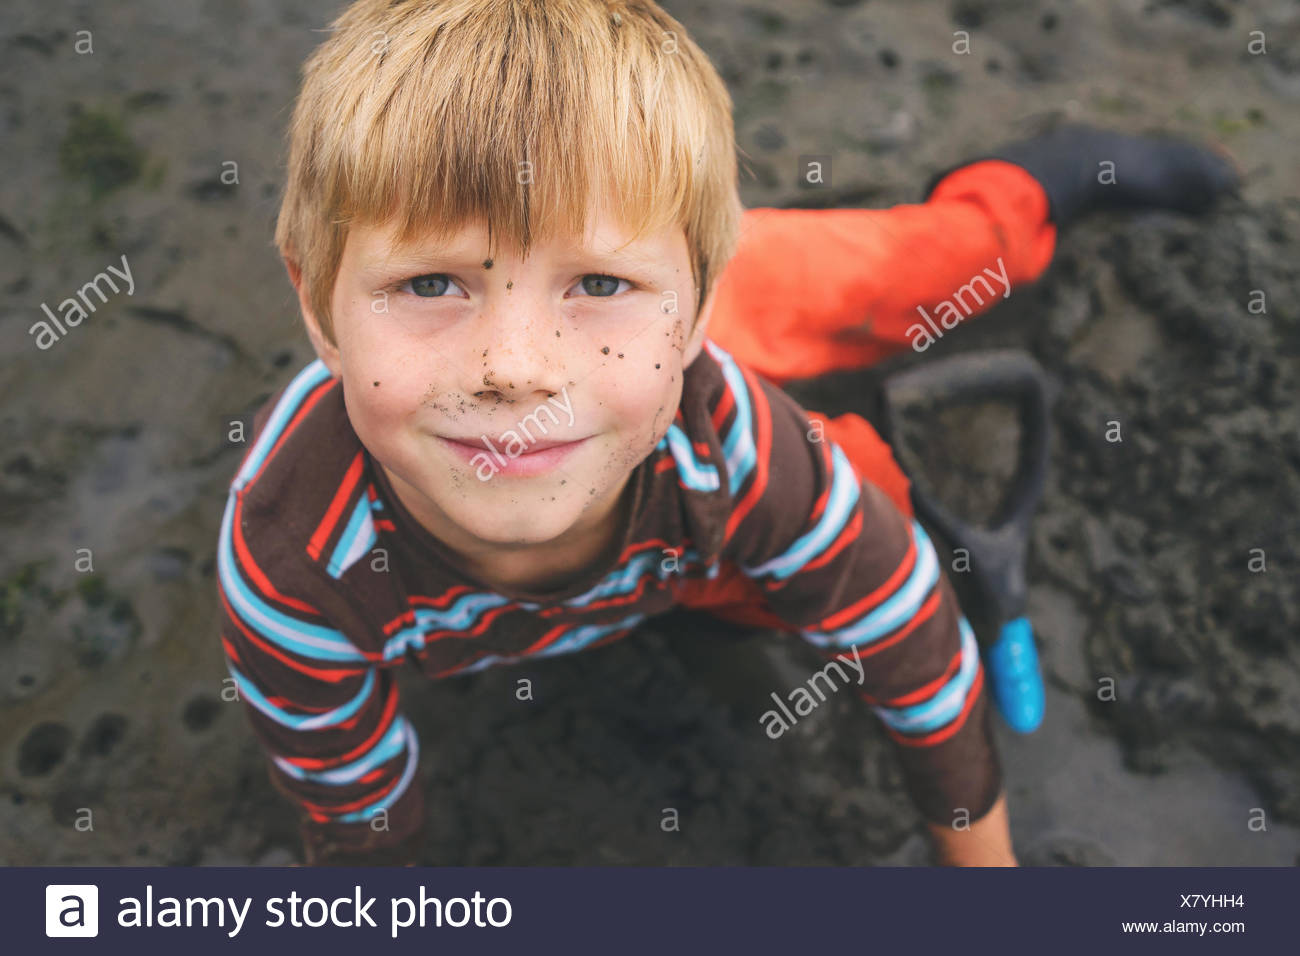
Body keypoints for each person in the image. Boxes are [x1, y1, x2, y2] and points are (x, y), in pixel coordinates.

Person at [216, 0, 1238, 867]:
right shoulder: (294, 570)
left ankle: (1028, 190)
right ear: (318, 303)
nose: (516, 367)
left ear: (697, 299)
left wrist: (983, 871)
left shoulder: (740, 446)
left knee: (920, 282)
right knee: (831, 534)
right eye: (430, 281)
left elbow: (912, 640)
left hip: (707, 387)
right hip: (666, 490)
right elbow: (355, 818)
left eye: (598, 279)